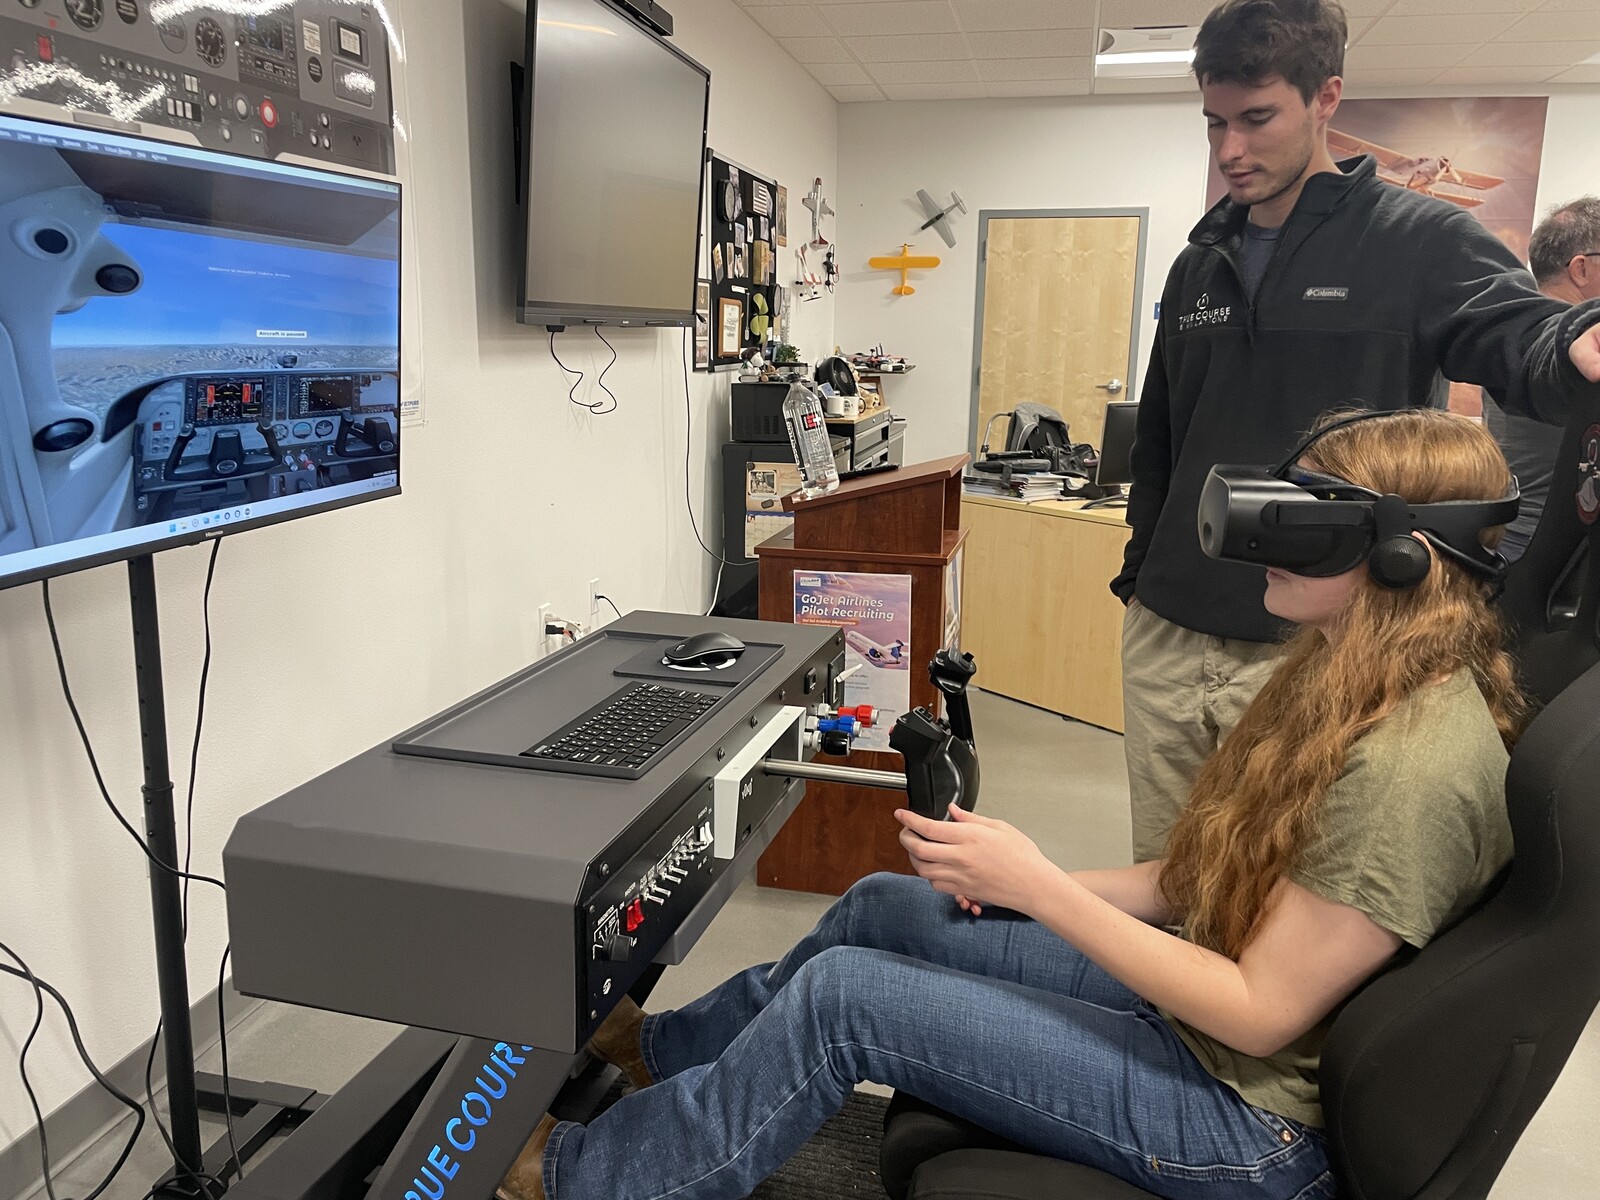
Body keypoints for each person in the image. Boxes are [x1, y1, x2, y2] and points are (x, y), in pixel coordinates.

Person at [497, 408, 1525, 1200]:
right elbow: (1190, 883)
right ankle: (663, 1055)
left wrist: (1037, 885)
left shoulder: (1409, 766)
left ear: (1401, 554)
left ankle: (594, 1181)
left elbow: (1261, 1014)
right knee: (883, 907)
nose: (1265, 541)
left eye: (1307, 521)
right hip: (1205, 1025)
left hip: (1248, 1128)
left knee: (846, 997)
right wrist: (1014, 881)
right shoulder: (1343, 674)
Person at [1111, 0, 1600, 863]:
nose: (1230, 150)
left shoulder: (1419, 239)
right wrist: (1139, 570)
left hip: (1321, 639)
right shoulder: (1199, 263)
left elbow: (1519, 334)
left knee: (1278, 892)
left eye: (1257, 118)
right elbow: (1161, 434)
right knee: (1168, 873)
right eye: (1215, 122)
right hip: (1171, 629)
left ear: (1326, 97)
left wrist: (1572, 342)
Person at [1483, 198, 1600, 560]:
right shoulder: (1582, 350)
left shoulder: (1512, 339)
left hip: (1505, 538)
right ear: (1580, 269)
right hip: (1554, 555)